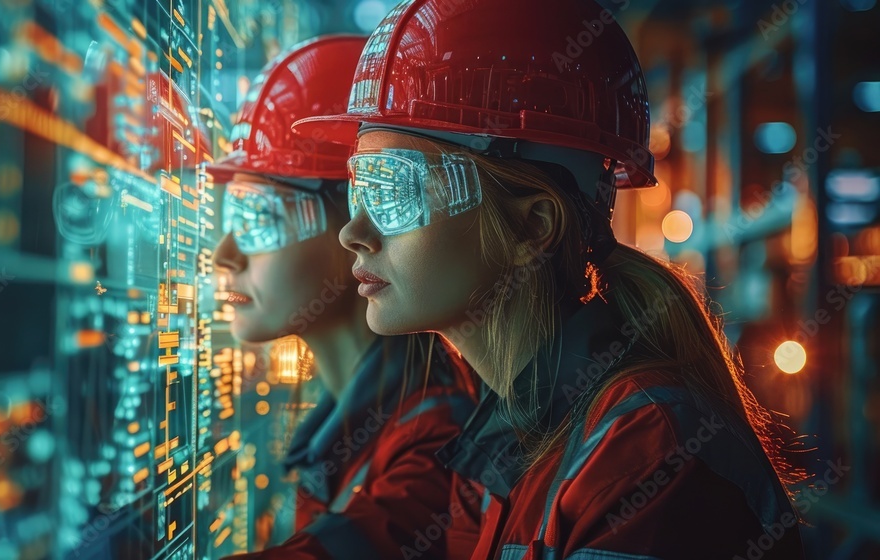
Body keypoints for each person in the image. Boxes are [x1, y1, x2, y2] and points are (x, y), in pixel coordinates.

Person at [292, 1, 806, 558]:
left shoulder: (645, 455)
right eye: (360, 188)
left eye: (394, 191)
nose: (353, 232)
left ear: (533, 226)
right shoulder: (507, 441)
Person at [211, 35, 480, 560]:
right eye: (229, 220)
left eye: (257, 218)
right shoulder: (375, 425)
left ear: (355, 218)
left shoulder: (435, 441)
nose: (225, 255)